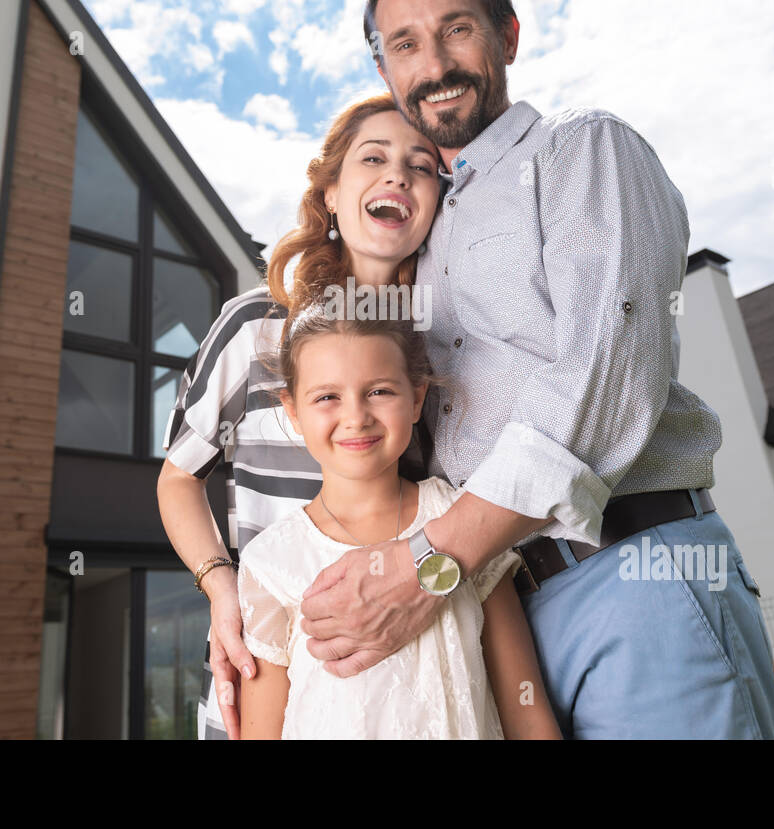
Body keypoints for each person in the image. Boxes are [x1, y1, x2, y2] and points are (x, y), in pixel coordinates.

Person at [293, 0, 774, 739]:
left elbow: (606, 372)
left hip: (632, 577)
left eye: (457, 29)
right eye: (406, 44)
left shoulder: (582, 149)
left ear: (507, 35)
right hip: (501, 619)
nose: (436, 63)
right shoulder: (424, 234)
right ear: (386, 73)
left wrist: (428, 563)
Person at [156, 93, 443, 739]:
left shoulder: (434, 348)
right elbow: (178, 479)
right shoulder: (255, 325)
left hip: (396, 683)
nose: (399, 174)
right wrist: (221, 588)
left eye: (421, 165)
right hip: (267, 676)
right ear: (332, 193)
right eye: (375, 157)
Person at [236, 301, 561, 738]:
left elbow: (526, 710)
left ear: (417, 398)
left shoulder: (461, 520)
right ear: (293, 411)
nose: (356, 416)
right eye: (327, 396)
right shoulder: (271, 561)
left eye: (380, 391)